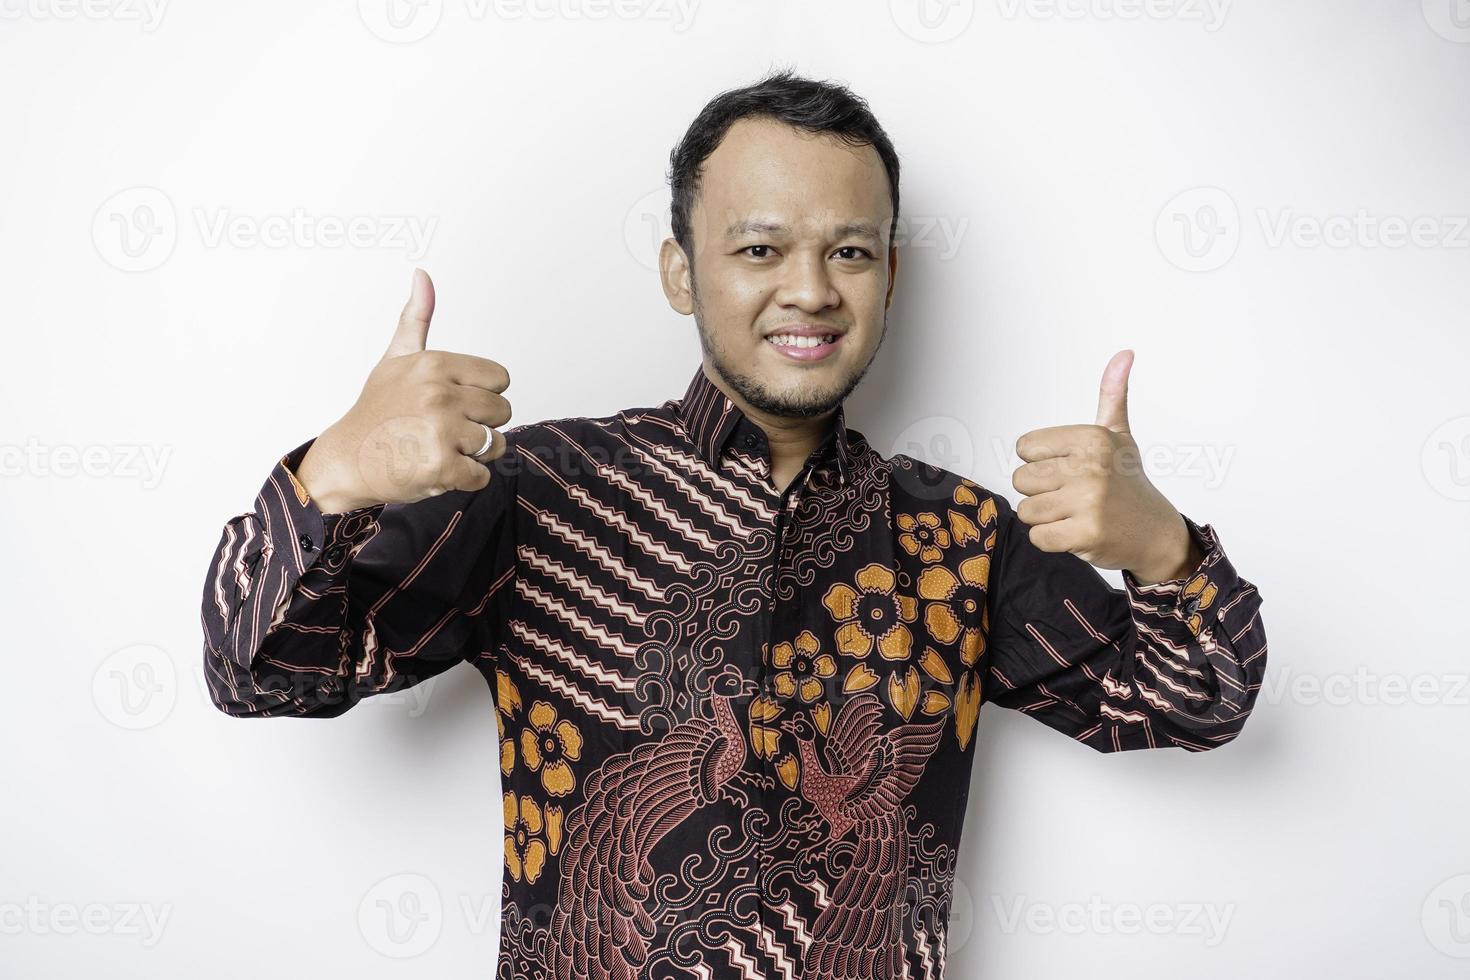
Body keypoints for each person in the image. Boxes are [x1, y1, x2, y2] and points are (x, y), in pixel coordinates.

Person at [200, 68, 1266, 979]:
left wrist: (1162, 551)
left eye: (850, 252)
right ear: (682, 270)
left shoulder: (964, 541)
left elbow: (1192, 704)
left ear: (891, 276)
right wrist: (330, 472)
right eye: (760, 250)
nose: (809, 289)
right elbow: (262, 671)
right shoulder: (536, 490)